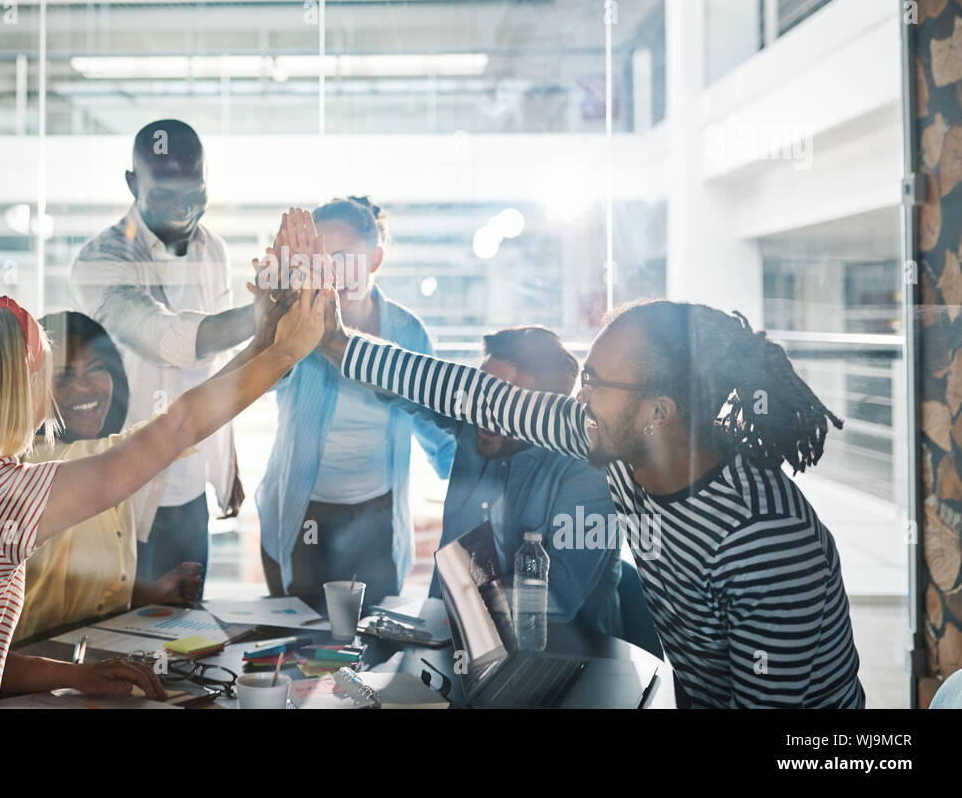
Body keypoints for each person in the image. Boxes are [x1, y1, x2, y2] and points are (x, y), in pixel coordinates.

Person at [320, 297, 865, 708]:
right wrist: (335, 340)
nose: (579, 398)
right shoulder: (623, 447)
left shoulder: (764, 540)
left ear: (658, 412)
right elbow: (473, 394)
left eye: (595, 383)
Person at [0, 279, 326, 708]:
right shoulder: (0, 496)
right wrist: (284, 352)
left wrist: (74, 675)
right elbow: (177, 429)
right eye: (48, 377)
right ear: (20, 390)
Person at [70, 119, 253, 586]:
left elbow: (214, 370)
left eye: (194, 191)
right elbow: (162, 337)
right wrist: (260, 318)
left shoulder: (214, 250)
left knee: (190, 638)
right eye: (165, 193)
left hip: (190, 495)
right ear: (132, 183)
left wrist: (227, 461)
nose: (182, 208)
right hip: (123, 493)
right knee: (126, 640)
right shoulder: (102, 260)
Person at [256, 197, 455, 610]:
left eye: (346, 259)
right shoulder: (298, 322)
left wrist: (495, 483)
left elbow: (439, 433)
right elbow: (259, 382)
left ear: (376, 258)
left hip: (376, 517)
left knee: (372, 643)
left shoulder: (407, 331)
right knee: (302, 639)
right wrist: (270, 317)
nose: (333, 273)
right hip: (302, 511)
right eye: (322, 260)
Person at [411, 325, 621, 638]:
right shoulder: (476, 430)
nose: (483, 410)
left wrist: (463, 595)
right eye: (481, 390)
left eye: (500, 398)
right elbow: (402, 391)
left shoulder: (588, 471)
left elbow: (557, 600)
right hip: (460, 634)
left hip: (567, 653)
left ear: (541, 410)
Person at [10, 311, 206, 646]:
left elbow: (73, 578)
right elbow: (184, 424)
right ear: (34, 389)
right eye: (63, 375)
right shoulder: (37, 462)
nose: (85, 386)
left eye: (97, 368)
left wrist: (153, 591)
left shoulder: (99, 454)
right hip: (38, 671)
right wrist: (276, 346)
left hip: (93, 653)